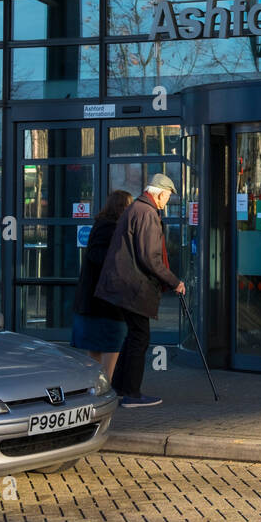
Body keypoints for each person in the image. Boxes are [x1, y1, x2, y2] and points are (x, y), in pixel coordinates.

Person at [94, 172, 185, 408]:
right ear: (160, 193)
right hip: (132, 287)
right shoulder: (147, 213)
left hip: (122, 286)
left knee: (134, 335)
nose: (167, 202)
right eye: (167, 197)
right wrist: (175, 281)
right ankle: (132, 394)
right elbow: (150, 258)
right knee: (140, 337)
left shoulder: (136, 208)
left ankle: (120, 388)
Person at [70, 189, 132, 379]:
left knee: (96, 348)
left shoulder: (101, 225)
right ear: (123, 207)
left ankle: (96, 384)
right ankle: (104, 386)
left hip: (94, 302)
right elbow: (101, 257)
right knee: (111, 346)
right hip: (105, 302)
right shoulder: (110, 228)